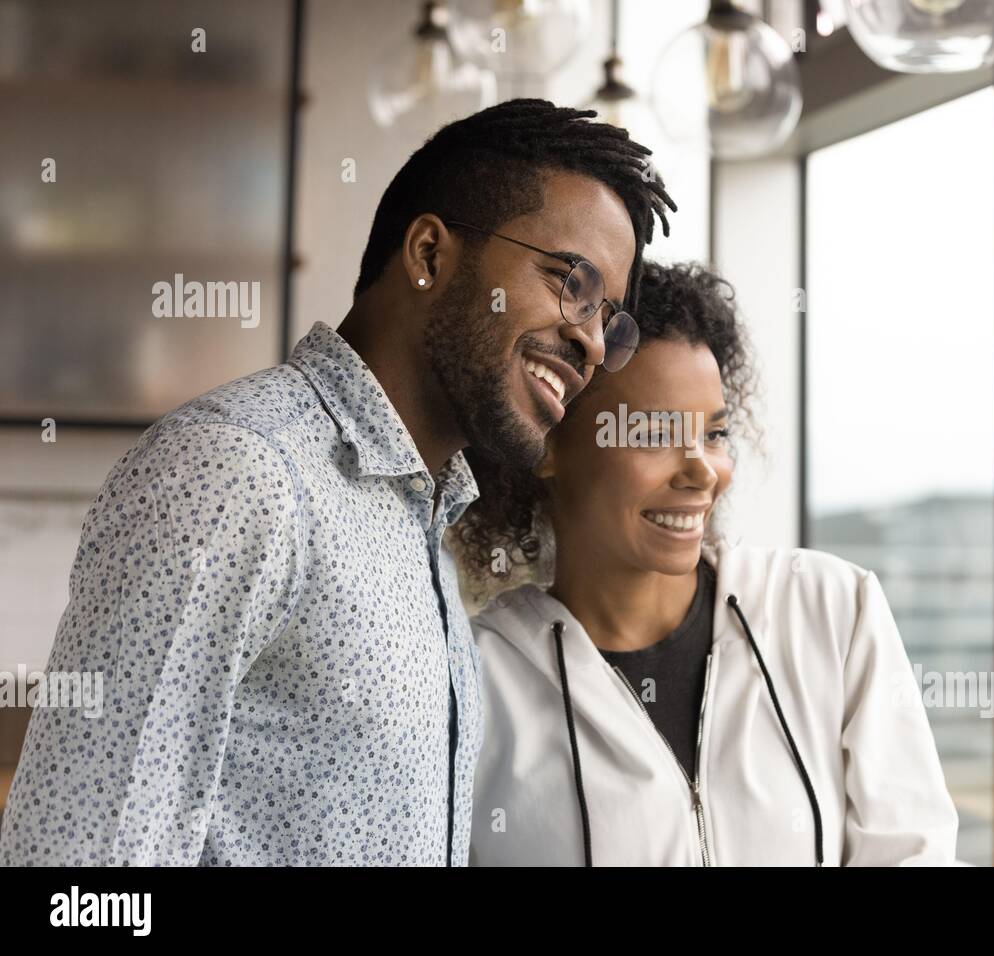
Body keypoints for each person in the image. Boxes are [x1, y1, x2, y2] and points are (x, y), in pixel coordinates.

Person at [0, 99, 674, 866]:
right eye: (567, 281)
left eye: (608, 320)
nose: (589, 340)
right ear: (428, 254)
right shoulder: (239, 471)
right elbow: (75, 877)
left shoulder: (424, 520)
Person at [458, 261, 959, 866]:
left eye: (714, 433)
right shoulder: (476, 681)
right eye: (653, 434)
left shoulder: (832, 610)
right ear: (546, 445)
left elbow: (915, 854)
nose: (702, 471)